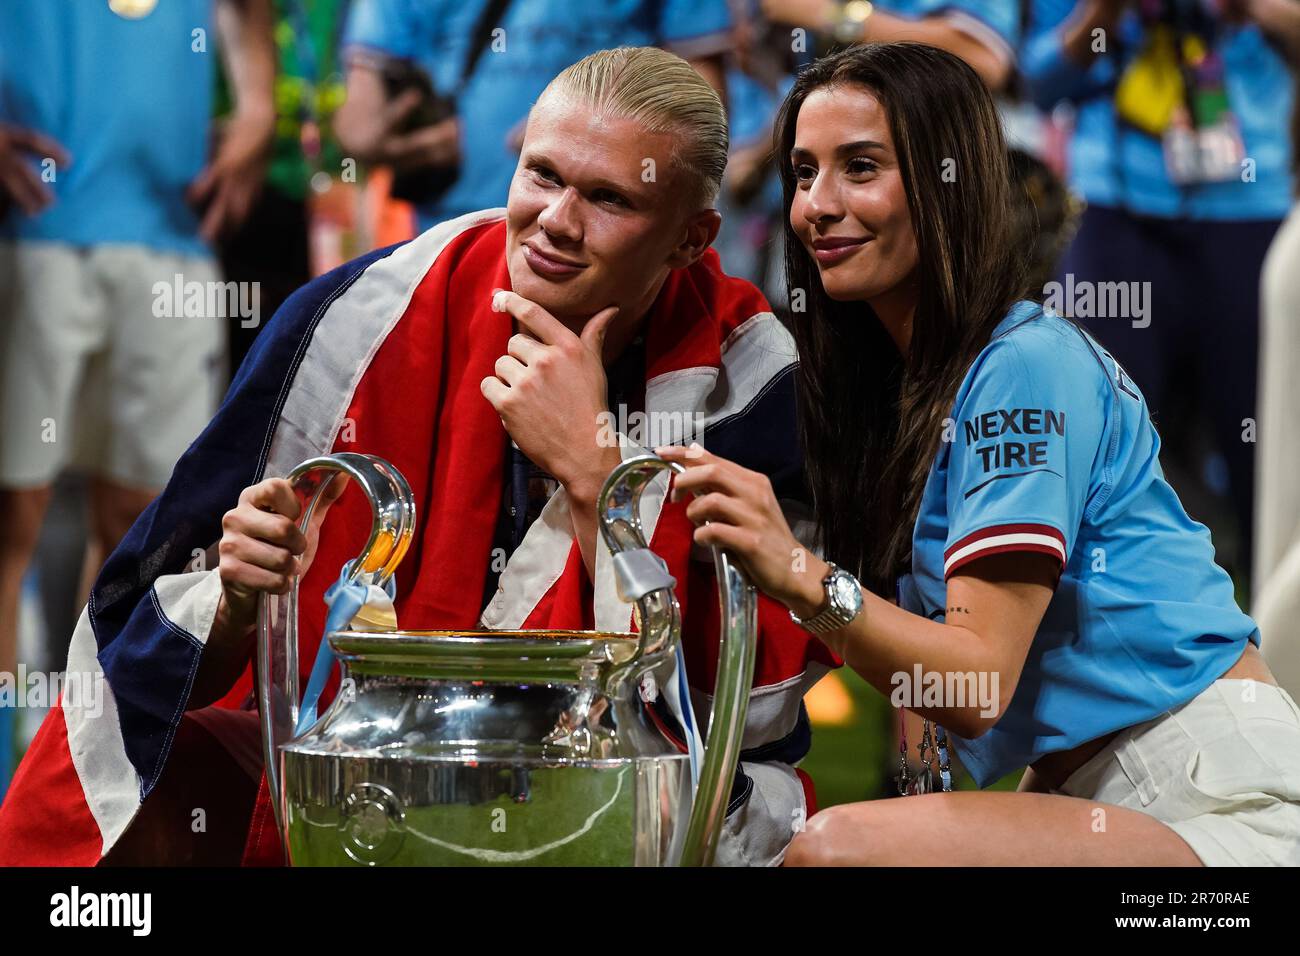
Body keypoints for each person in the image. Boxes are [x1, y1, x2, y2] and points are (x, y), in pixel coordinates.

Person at [0, 47, 834, 867]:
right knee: (162, 782)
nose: (556, 222)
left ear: (693, 238)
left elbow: (737, 716)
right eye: (542, 176)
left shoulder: (753, 384)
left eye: (608, 198)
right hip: (372, 762)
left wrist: (594, 473)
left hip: (621, 784)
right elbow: (147, 616)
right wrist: (239, 598)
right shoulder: (362, 314)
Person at [656, 42, 1300, 865]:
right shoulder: (898, 401)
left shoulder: (1025, 363)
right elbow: (930, 690)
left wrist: (795, 570)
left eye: (860, 167)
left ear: (944, 180)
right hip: (1100, 795)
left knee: (833, 850)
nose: (817, 203)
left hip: (1218, 796)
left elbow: (976, 681)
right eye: (803, 172)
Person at [0, 0, 275, 803]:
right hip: (35, 225)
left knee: (145, 527)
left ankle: (85, 776)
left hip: (172, 234)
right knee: (10, 520)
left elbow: (247, 14)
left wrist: (257, 105)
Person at [1021, 0, 1300, 582]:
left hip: (1253, 212)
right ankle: (1094, 616)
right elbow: (1037, 81)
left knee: (1270, 444)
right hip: (1118, 213)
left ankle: (1275, 625)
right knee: (1093, 433)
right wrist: (1103, 13)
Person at [333, 0, 733, 232]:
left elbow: (702, 94)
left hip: (608, 231)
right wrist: (374, 139)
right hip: (455, 228)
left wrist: (593, 132)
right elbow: (359, 113)